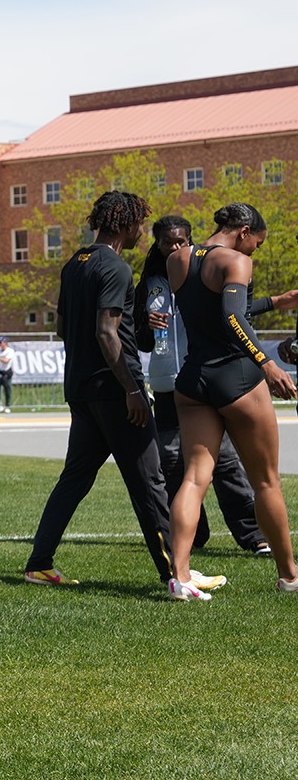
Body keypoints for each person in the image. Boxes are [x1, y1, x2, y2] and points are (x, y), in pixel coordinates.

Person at [22, 192, 201, 597]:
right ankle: (177, 574)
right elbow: (106, 332)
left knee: (75, 478)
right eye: (139, 223)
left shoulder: (74, 264)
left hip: (82, 390)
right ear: (123, 223)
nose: (142, 231)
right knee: (149, 481)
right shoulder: (116, 267)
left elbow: (65, 330)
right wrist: (133, 389)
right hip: (116, 392)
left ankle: (39, 564)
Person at [165, 203, 298, 597]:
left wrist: (277, 301)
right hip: (237, 378)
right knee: (266, 482)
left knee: (193, 478)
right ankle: (290, 576)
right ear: (243, 232)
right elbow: (233, 318)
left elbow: (214, 309)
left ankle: (181, 576)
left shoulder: (178, 260)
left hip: (193, 380)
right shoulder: (236, 260)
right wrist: (267, 364)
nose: (253, 252)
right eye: (256, 243)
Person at [140, 215, 270, 556]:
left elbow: (233, 313)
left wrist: (275, 302)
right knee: (174, 465)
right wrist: (144, 319)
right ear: (158, 245)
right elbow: (140, 337)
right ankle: (191, 537)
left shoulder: (200, 270)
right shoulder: (153, 280)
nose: (176, 247)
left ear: (191, 239)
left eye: (181, 241)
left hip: (201, 374)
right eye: (168, 242)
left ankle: (252, 534)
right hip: (171, 384)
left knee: (223, 463)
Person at [0, 336, 15, 412]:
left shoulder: (10, 351)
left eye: (1, 342)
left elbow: (6, 360)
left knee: (7, 389)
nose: (0, 344)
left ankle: (7, 405)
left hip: (7, 372)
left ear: (5, 343)